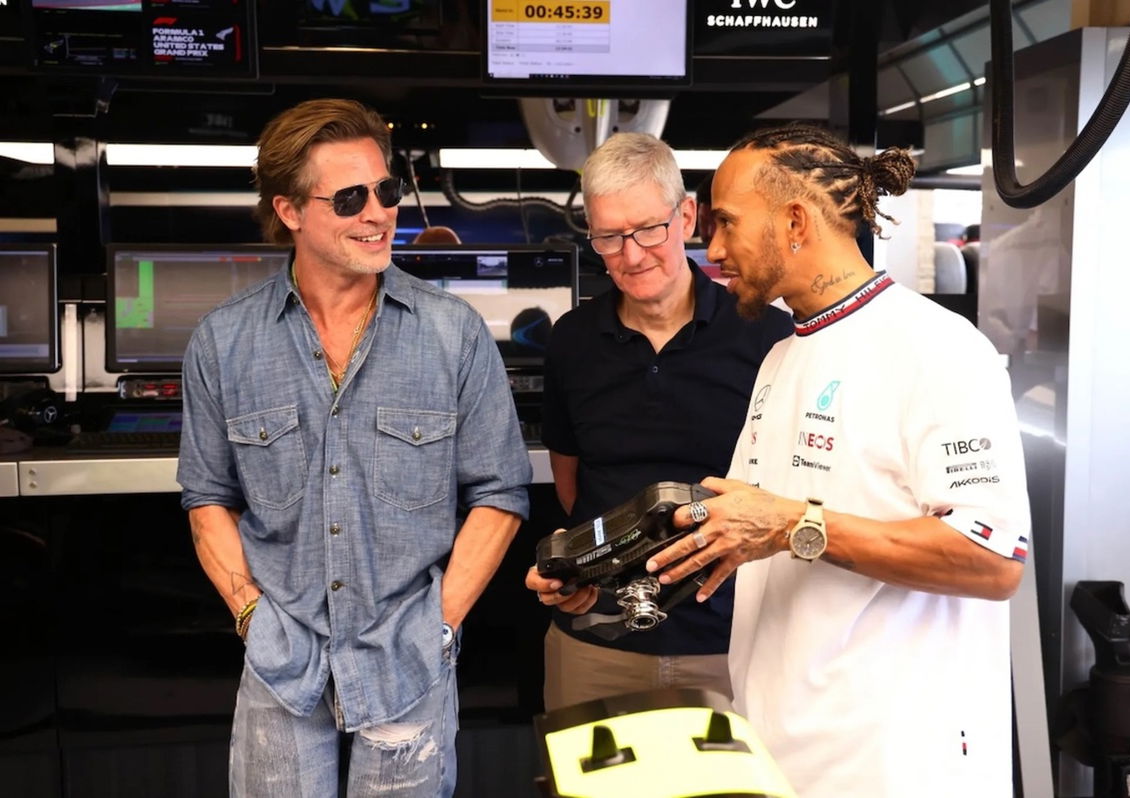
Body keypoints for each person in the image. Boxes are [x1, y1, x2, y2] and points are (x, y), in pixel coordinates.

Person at [639, 123, 1032, 795]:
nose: (715, 248)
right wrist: (606, 584)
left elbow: (993, 562)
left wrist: (794, 525)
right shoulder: (782, 356)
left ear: (795, 221)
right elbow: (747, 525)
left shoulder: (937, 348)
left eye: (729, 224)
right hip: (781, 751)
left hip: (891, 767)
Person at [177, 98, 531, 797]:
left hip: (409, 660)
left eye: (387, 190)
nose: (378, 212)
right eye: (349, 198)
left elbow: (500, 493)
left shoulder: (452, 334)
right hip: (283, 664)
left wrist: (440, 620)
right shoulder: (223, 343)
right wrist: (250, 612)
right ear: (289, 211)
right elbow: (208, 496)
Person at [525, 132, 792, 710]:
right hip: (596, 641)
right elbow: (571, 482)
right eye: (609, 237)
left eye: (649, 229)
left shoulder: (767, 335)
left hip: (732, 641)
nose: (633, 254)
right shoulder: (572, 340)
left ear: (687, 216)